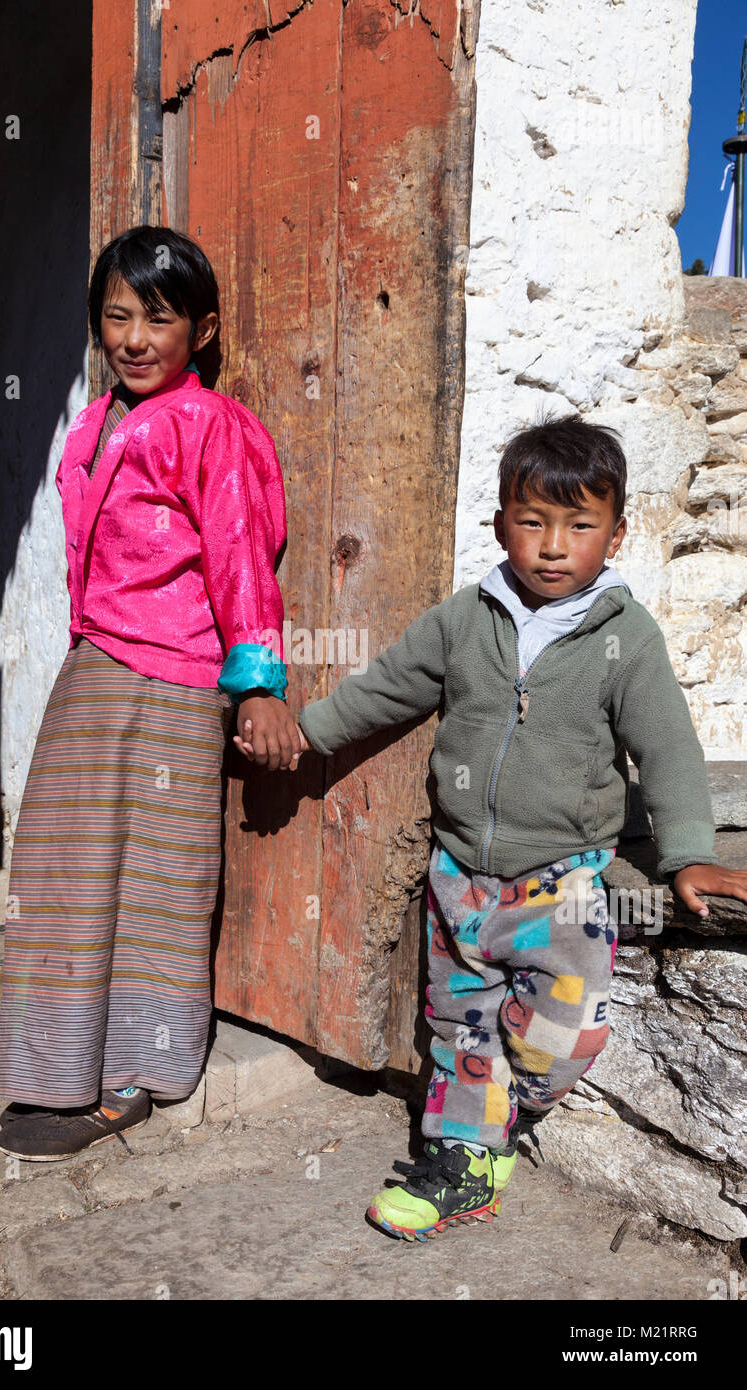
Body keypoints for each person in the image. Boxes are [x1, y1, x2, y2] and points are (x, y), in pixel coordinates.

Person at [237, 414, 747, 1241]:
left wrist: (686, 853)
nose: (553, 546)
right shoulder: (467, 618)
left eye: (579, 525)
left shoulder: (627, 638)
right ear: (500, 523)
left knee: (563, 1034)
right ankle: (465, 1165)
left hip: (566, 880)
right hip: (460, 875)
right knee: (458, 1023)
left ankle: (502, 1111)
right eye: (532, 522)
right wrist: (309, 730)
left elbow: (670, 749)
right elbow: (391, 685)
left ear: (617, 533)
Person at [0, 225, 301, 1161]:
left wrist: (257, 683)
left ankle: (136, 1074)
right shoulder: (94, 425)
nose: (133, 337)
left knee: (159, 878)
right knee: (60, 866)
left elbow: (243, 556)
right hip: (93, 671)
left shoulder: (209, 425)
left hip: (173, 681)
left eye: (157, 318)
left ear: (201, 331)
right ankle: (56, 1067)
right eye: (116, 315)